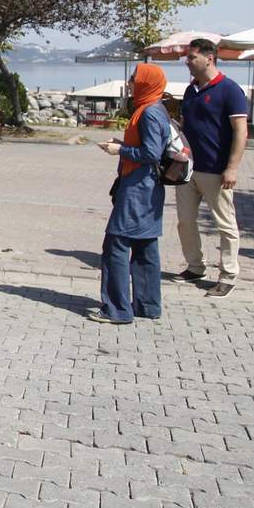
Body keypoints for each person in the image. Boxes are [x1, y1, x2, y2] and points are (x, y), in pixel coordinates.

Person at [91, 64, 171, 324]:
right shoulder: (155, 109)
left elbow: (151, 154)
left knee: (115, 245)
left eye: (134, 79)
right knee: (145, 245)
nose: (130, 83)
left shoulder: (148, 113)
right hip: (148, 188)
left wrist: (120, 151)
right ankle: (148, 305)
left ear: (147, 83)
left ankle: (117, 309)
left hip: (138, 188)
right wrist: (123, 145)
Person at [169, 37, 248, 298]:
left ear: (209, 58)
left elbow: (240, 132)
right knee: (185, 221)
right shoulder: (191, 91)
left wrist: (232, 168)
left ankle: (228, 274)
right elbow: (186, 126)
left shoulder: (229, 90)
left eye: (191, 57)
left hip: (216, 170)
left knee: (225, 225)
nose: (187, 62)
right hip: (188, 169)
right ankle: (195, 266)